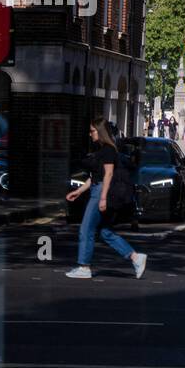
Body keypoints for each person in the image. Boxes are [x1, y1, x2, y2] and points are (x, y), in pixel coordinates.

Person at [64, 117, 146, 280]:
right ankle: (136, 258)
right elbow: (95, 177)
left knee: (86, 229)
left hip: (101, 191)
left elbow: (108, 175)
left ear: (100, 132)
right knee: (105, 232)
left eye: (92, 131)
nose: (90, 134)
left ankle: (84, 267)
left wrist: (102, 198)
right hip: (98, 188)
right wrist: (79, 191)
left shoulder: (108, 149)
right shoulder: (103, 150)